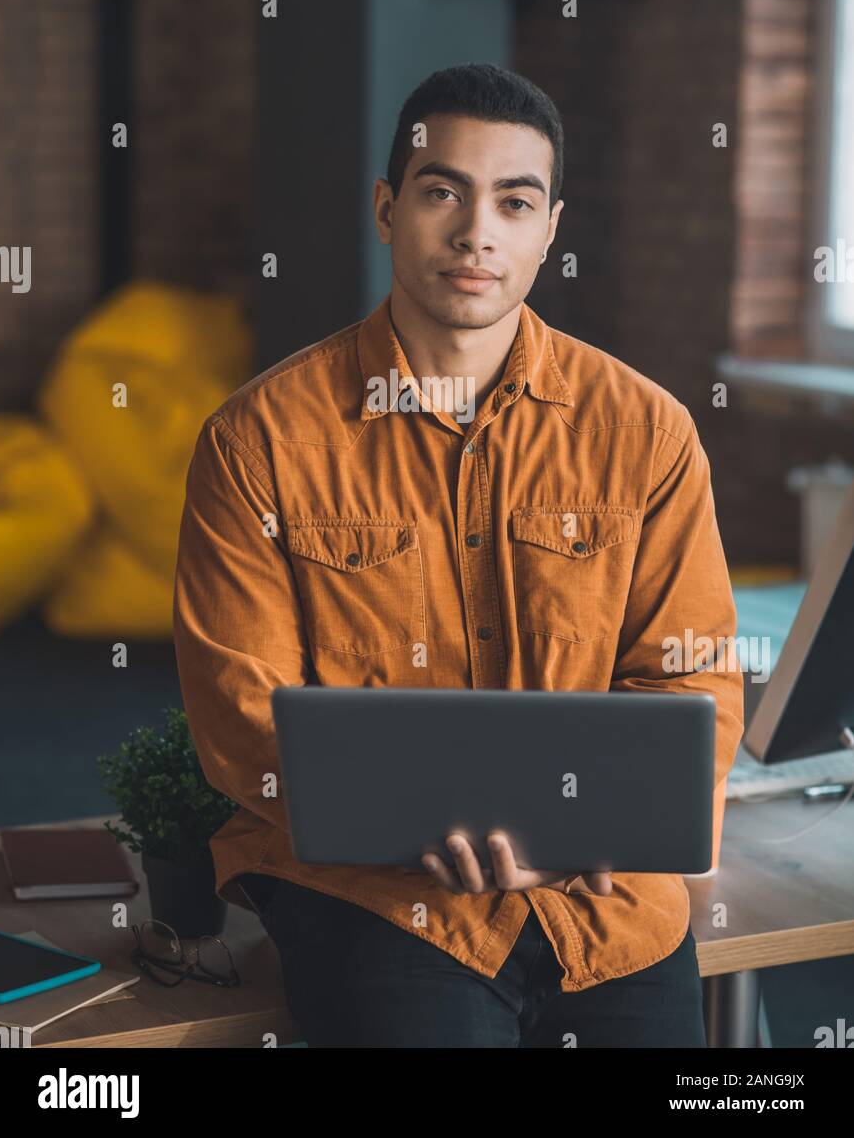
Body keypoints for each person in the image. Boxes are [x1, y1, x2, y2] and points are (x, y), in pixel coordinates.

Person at [173, 62, 744, 1048]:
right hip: (377, 895)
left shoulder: (644, 430)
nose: (477, 231)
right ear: (388, 208)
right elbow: (241, 710)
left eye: (513, 201)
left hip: (601, 897)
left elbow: (689, 676)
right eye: (443, 191)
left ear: (548, 229)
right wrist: (422, 815)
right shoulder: (258, 439)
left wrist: (571, 828)